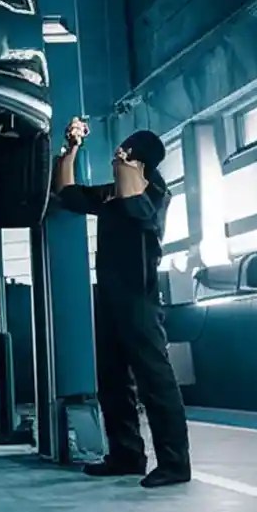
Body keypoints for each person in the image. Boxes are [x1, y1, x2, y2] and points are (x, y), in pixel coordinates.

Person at [52, 116, 191, 488]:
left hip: (139, 298)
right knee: (112, 380)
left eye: (128, 150)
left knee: (154, 380)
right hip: (110, 296)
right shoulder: (116, 190)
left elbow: (133, 204)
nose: (120, 152)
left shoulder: (154, 192)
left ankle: (176, 465)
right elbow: (67, 194)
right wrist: (71, 150)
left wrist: (122, 162)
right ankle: (127, 455)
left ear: (140, 160)